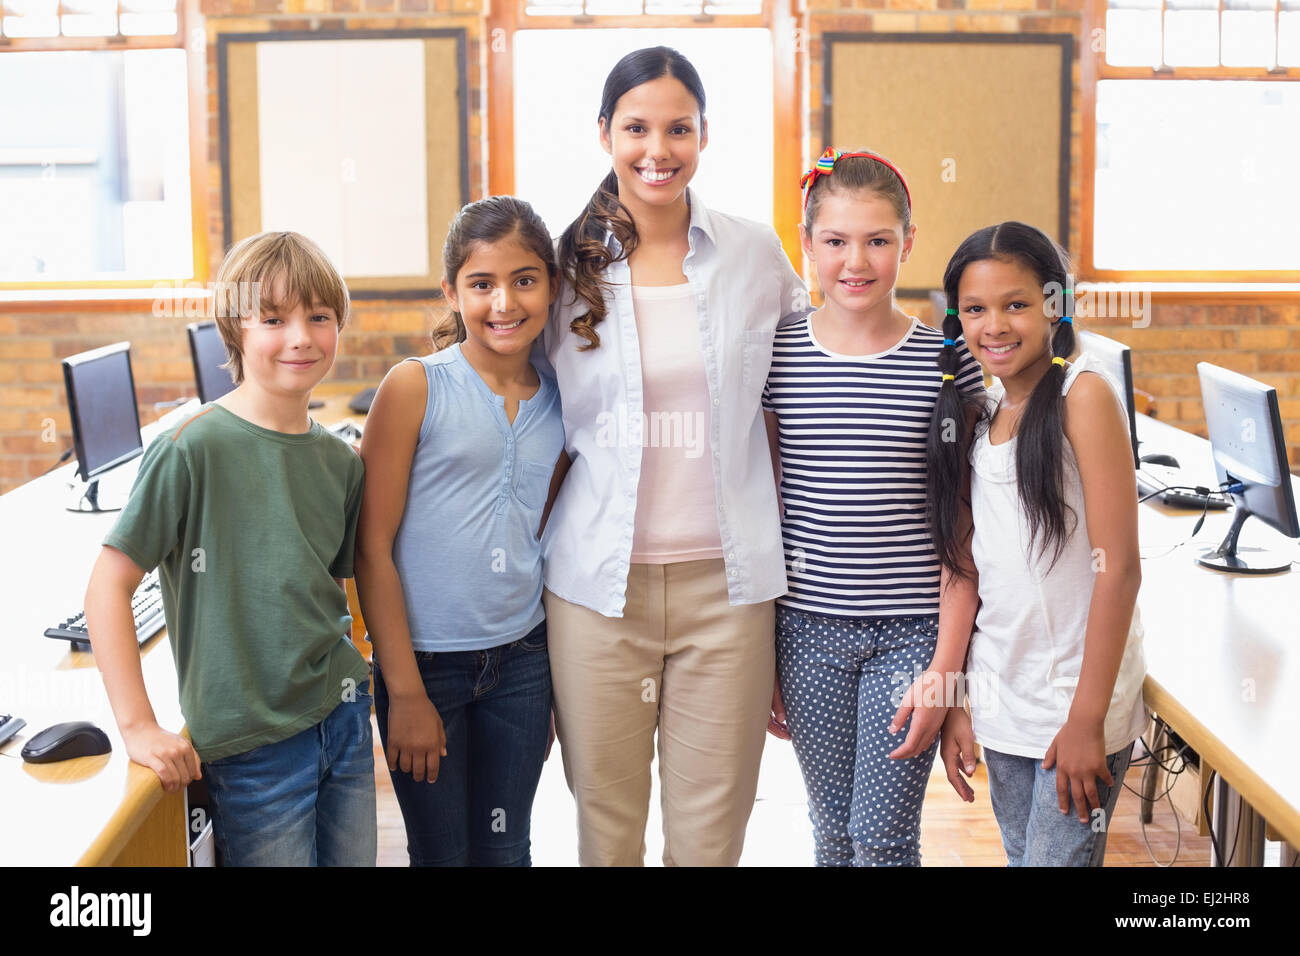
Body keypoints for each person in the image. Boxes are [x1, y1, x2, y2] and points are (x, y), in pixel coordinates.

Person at [541, 46, 810, 866]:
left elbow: (803, 388)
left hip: (726, 596)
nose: (657, 149)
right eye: (636, 128)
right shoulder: (560, 268)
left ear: (703, 135)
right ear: (604, 134)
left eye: (678, 129)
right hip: (595, 592)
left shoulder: (752, 254)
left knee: (709, 839)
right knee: (607, 834)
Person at [84, 231, 375, 866]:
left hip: (343, 718)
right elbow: (107, 586)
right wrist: (136, 724)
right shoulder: (190, 449)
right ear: (235, 329)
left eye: (318, 318)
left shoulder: (339, 462)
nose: (300, 336)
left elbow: (336, 590)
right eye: (273, 319)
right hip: (252, 748)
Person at [760, 147, 986, 866]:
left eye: (878, 240)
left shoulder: (948, 365)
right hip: (806, 632)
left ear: (907, 243)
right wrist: (764, 651)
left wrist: (948, 671)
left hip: (913, 637)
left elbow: (963, 535)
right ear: (807, 244)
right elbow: (763, 503)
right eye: (835, 241)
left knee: (882, 840)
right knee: (831, 834)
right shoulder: (776, 354)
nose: (856, 261)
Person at [355, 196, 566, 866]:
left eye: (524, 280)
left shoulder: (566, 395)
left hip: (523, 666)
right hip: (425, 671)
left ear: (551, 286)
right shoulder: (414, 386)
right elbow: (372, 549)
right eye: (482, 284)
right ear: (452, 291)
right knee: (443, 854)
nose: (504, 302)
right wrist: (406, 692)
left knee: (507, 848)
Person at [931, 221, 1147, 867]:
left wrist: (1087, 720)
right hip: (1005, 706)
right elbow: (978, 572)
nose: (994, 325)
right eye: (975, 309)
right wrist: (962, 702)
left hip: (1073, 712)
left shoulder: (1084, 398)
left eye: (1015, 304)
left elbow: (1121, 572)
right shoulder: (985, 411)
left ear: (1055, 304)